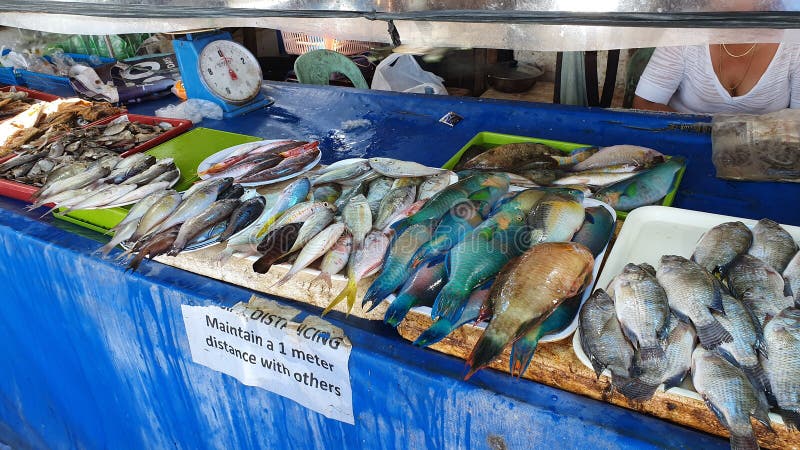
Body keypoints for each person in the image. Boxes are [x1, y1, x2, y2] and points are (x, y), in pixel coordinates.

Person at [632, 43, 800, 114]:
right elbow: (646, 104)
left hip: (764, 156)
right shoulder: (686, 30)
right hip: (684, 147)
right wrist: (711, 135)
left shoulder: (794, 40)